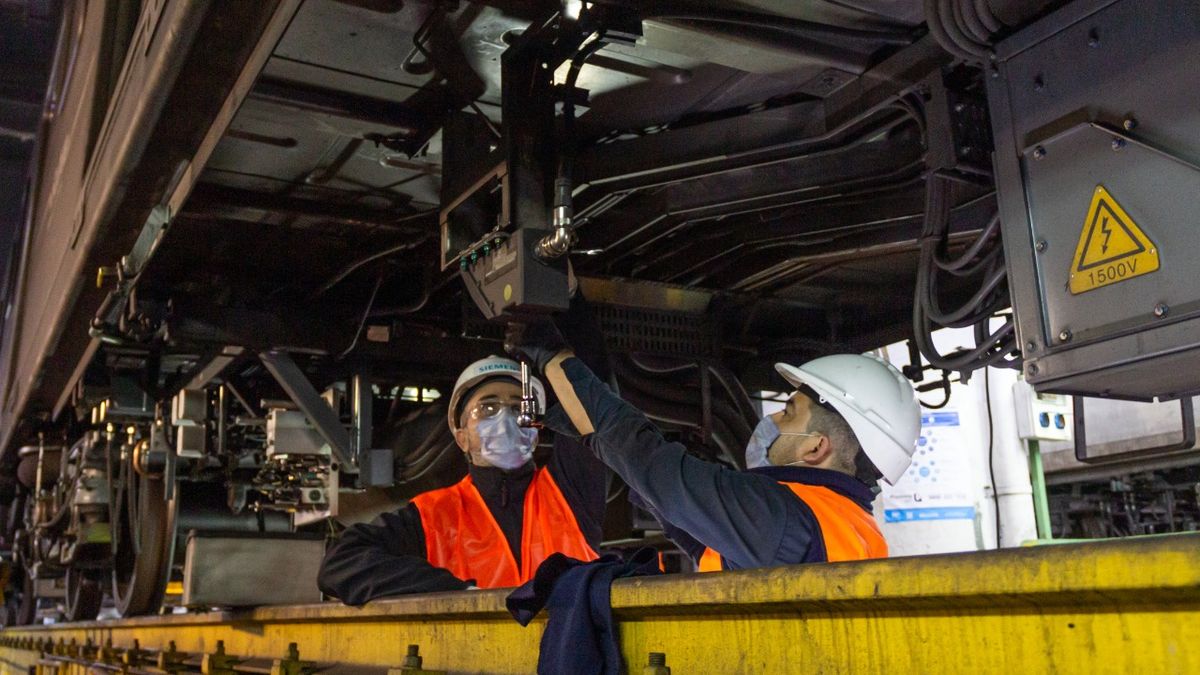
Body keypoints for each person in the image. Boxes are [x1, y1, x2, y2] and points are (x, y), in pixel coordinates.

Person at [506, 319, 921, 571]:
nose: (771, 418)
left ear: (816, 448)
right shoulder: (845, 523)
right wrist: (574, 420)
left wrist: (552, 356)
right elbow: (683, 516)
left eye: (789, 412)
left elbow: (658, 472)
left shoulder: (782, 514)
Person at [318, 356, 608, 605]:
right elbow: (340, 563)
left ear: (535, 433)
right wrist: (457, 593)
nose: (506, 419)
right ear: (462, 437)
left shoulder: (569, 493)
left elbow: (592, 392)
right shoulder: (434, 515)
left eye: (520, 408)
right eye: (488, 409)